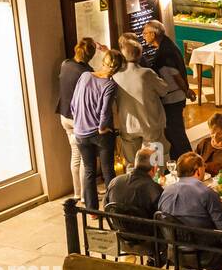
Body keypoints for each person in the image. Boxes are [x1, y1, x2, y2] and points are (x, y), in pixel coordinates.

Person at [71, 48, 121, 210]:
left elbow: (73, 104)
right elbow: (105, 111)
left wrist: (79, 123)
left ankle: (92, 210)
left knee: (89, 171)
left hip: (80, 132)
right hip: (99, 134)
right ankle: (112, 208)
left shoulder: (85, 76)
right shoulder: (109, 85)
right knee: (108, 171)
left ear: (102, 62)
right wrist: (102, 128)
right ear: (118, 69)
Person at [112, 39, 168, 165]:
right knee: (155, 162)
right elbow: (164, 90)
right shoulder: (146, 73)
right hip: (150, 123)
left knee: (131, 163)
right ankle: (155, 183)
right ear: (140, 55)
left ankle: (133, 184)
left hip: (128, 125)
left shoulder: (116, 76)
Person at [142, 20, 192, 157]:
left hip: (173, 98)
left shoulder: (165, 52)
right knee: (173, 133)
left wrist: (186, 90)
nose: (143, 36)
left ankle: (189, 161)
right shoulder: (167, 45)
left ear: (153, 34)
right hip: (174, 96)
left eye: (145, 33)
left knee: (176, 133)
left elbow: (175, 74)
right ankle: (178, 162)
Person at [57, 37, 97, 200]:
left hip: (64, 115)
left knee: (75, 155)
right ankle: (84, 195)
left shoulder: (65, 64)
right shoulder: (86, 72)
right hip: (78, 118)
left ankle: (77, 192)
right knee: (84, 158)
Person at [158, 152, 222, 231]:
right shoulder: (207, 193)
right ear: (198, 170)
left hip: (173, 241)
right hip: (203, 240)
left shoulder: (166, 191)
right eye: (204, 166)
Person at [106, 144, 163, 220]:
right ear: (154, 169)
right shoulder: (153, 189)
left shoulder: (114, 182)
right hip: (145, 230)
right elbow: (162, 215)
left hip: (118, 228)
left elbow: (106, 207)